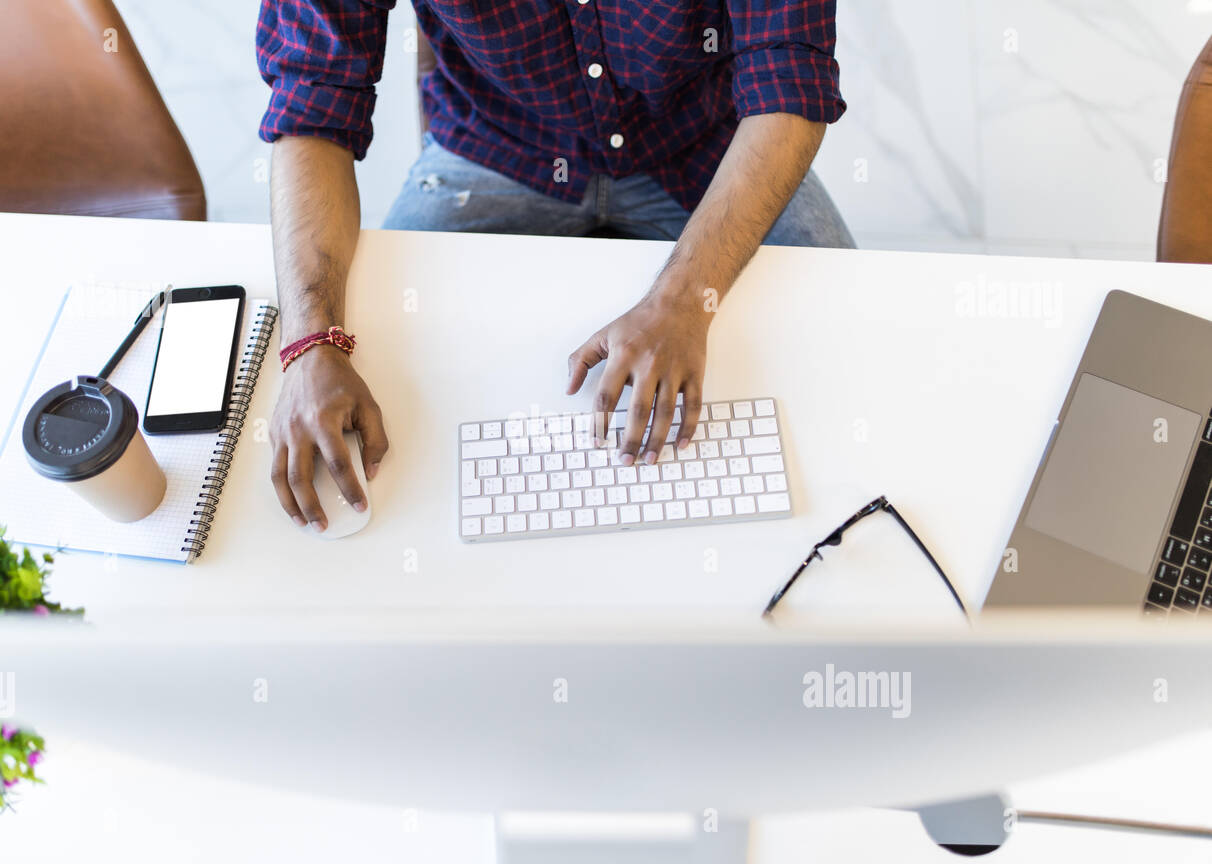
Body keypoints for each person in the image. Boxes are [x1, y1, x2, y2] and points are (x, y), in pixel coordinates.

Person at [257, 0, 851, 531]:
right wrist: (310, 343)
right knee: (395, 393)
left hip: (711, 147)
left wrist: (684, 299)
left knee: (856, 347)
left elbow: (790, 87)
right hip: (499, 146)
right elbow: (311, 105)